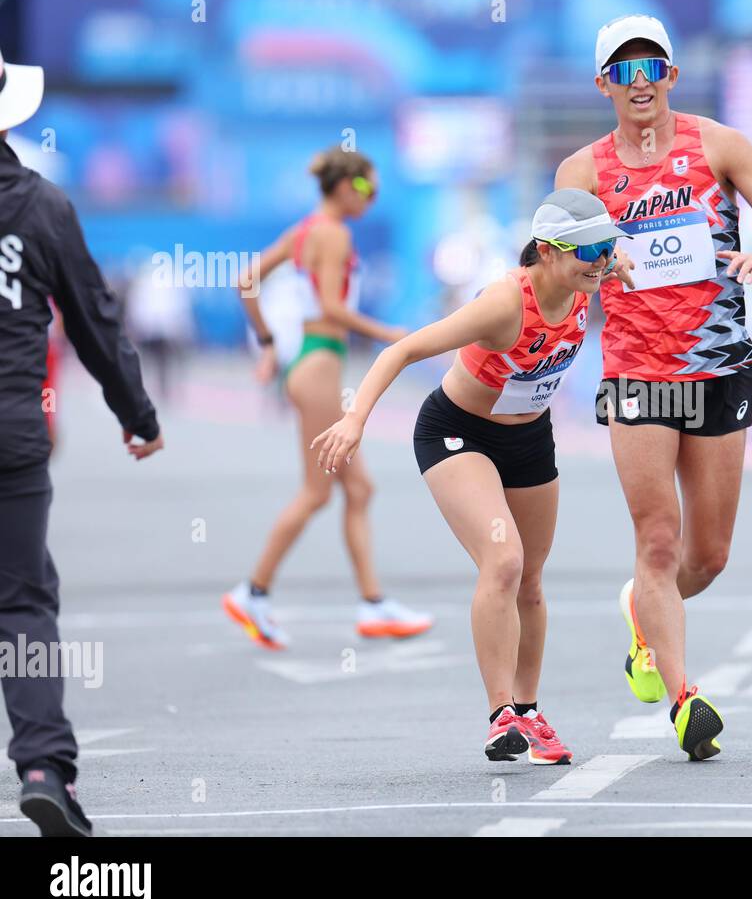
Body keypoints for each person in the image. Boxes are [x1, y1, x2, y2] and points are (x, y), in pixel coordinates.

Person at [555, 14, 752, 760]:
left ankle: (640, 613)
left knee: (709, 556)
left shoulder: (722, 146)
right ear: (603, 83)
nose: (639, 82)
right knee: (659, 540)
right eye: (623, 70)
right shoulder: (582, 173)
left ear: (671, 76)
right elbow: (556, 267)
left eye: (652, 68)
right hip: (637, 370)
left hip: (721, 365)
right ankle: (683, 699)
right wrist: (598, 267)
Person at [312, 189, 627, 763]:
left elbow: (619, 265)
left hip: (529, 437)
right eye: (593, 251)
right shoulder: (503, 303)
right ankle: (499, 714)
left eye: (609, 249)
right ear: (550, 252)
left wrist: (620, 261)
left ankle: (530, 714)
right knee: (503, 561)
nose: (604, 261)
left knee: (531, 579)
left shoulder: (590, 276)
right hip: (459, 432)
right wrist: (355, 419)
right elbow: (403, 350)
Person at [0, 47, 164, 836]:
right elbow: (95, 322)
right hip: (13, 435)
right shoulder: (41, 207)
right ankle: (41, 770)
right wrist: (138, 413)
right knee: (22, 600)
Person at [221, 147, 429, 649]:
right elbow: (334, 309)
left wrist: (270, 344)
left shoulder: (304, 230)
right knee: (316, 492)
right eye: (366, 188)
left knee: (359, 490)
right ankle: (253, 592)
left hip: (310, 363)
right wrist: (391, 335)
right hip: (317, 367)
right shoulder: (333, 234)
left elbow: (244, 279)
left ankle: (373, 604)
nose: (372, 198)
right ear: (343, 187)